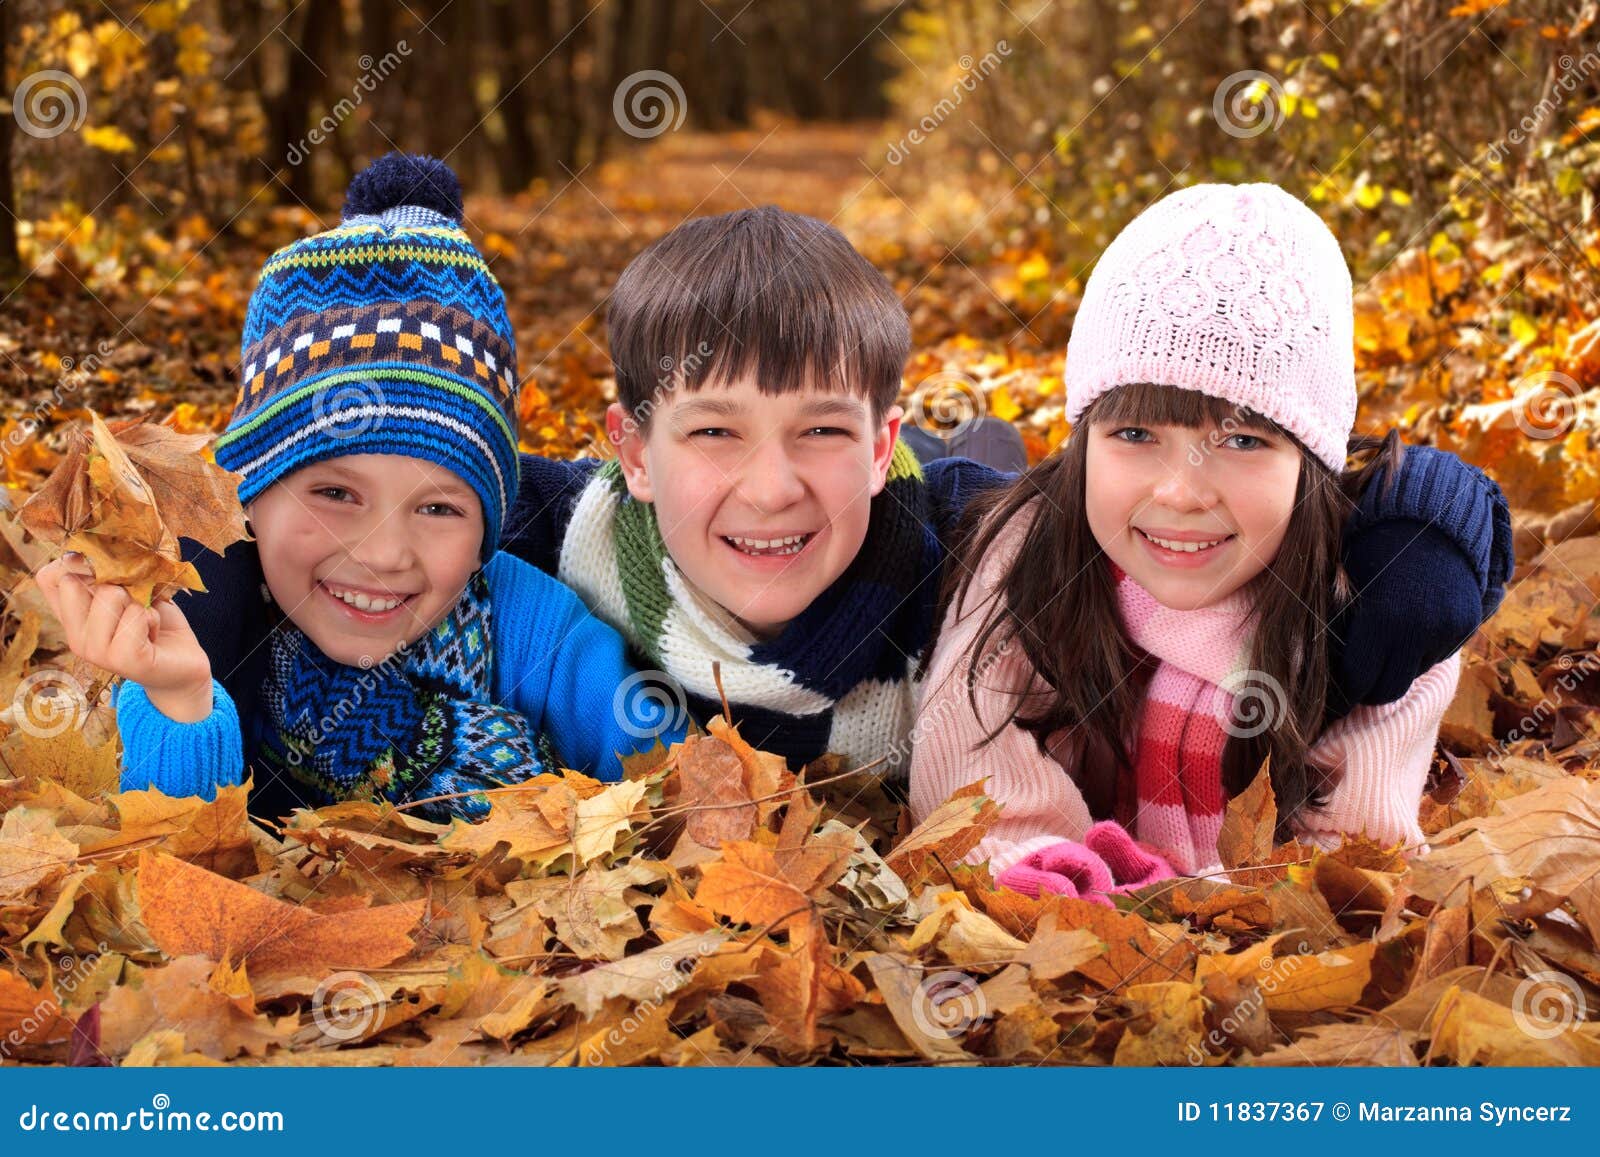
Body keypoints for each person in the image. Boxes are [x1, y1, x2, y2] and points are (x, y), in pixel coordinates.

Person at [909, 183, 1510, 900]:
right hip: (988, 498)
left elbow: (1352, 861)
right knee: (960, 481)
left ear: (1310, 462)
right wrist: (1061, 877)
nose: (1182, 491)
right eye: (1135, 434)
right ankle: (966, 445)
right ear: (1083, 443)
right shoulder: (1027, 553)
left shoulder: (1377, 600)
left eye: (1243, 439)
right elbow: (970, 778)